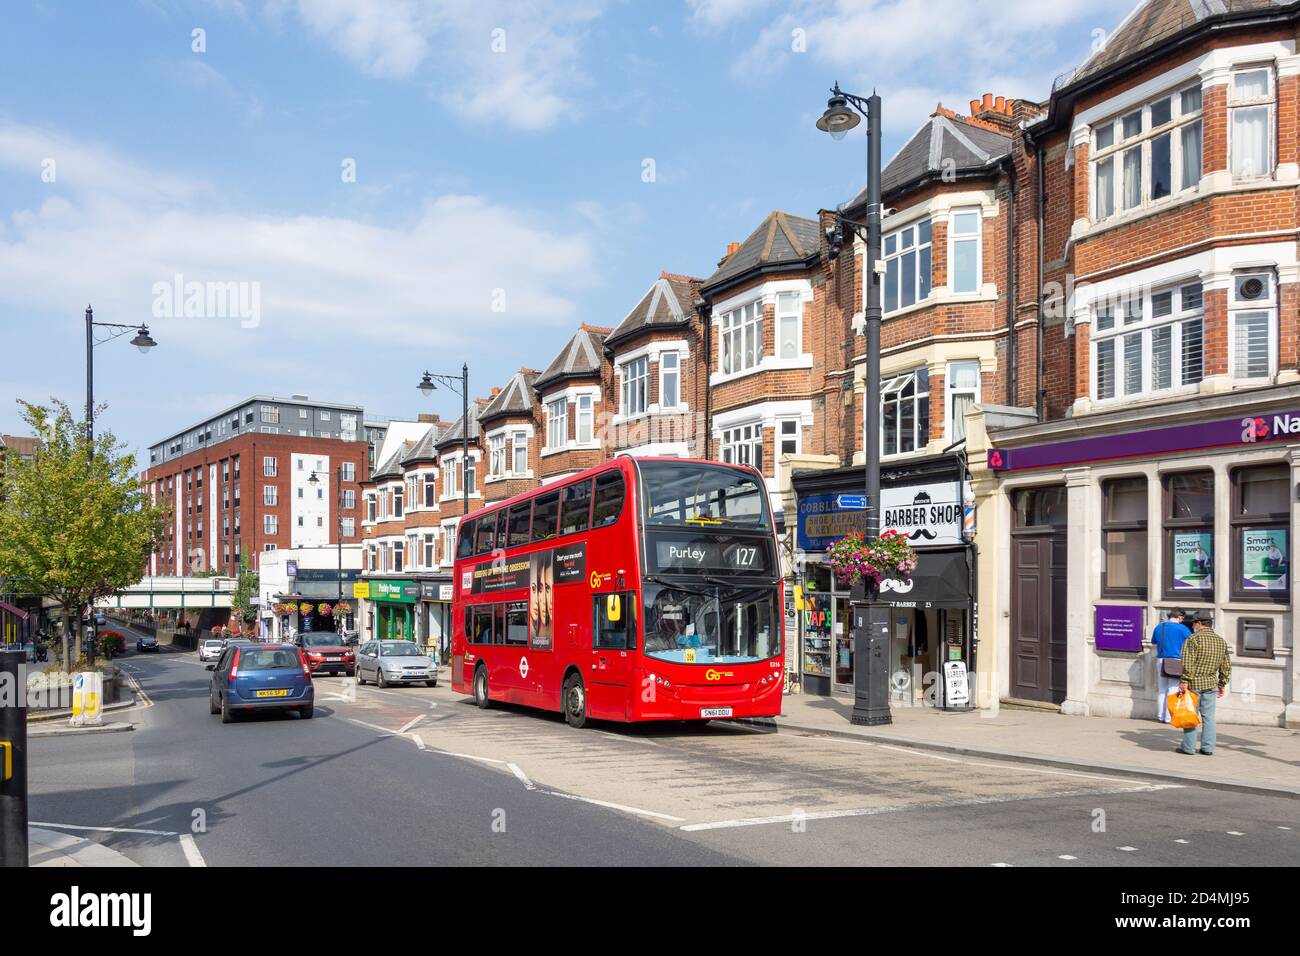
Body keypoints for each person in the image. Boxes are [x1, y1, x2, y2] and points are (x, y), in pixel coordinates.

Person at [1176, 610, 1232, 756]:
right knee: (1209, 717)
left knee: (1190, 715)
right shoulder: (1221, 641)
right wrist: (1222, 684)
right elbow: (1226, 666)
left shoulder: (1193, 639)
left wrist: (1184, 681)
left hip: (1194, 684)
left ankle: (1188, 748)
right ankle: (1207, 748)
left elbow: (1188, 663)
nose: (1193, 626)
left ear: (1199, 623)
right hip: (1211, 683)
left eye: (1194, 623)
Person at [1152, 608, 1191, 723]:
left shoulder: (1159, 627)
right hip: (1176, 661)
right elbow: (1191, 642)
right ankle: (1169, 717)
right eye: (1182, 619)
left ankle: (1160, 716)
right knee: (1173, 689)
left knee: (1162, 689)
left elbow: (1154, 641)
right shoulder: (1183, 629)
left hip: (1161, 660)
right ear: (1180, 617)